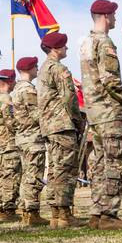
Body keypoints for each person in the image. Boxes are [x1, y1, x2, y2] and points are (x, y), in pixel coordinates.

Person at [79, 0, 122, 229]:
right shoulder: (104, 43)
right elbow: (110, 80)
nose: (114, 18)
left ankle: (97, 212)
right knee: (116, 163)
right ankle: (109, 215)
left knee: (100, 164)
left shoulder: (85, 42)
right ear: (105, 16)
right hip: (109, 112)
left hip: (94, 112)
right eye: (113, 14)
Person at [37, 32, 84, 228]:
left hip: (49, 126)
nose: (66, 49)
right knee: (66, 170)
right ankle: (64, 214)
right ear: (56, 48)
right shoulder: (58, 68)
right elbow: (69, 98)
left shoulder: (42, 69)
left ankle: (56, 213)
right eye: (64, 46)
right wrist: (77, 119)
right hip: (62, 125)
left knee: (55, 170)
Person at [12, 56, 46, 227]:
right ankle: (32, 212)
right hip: (32, 138)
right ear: (30, 69)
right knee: (34, 175)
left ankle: (26, 210)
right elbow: (36, 115)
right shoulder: (28, 90)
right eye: (35, 66)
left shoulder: (16, 89)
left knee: (27, 175)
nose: (37, 69)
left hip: (22, 137)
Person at [0, 72, 22, 222]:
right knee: (10, 177)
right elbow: (11, 122)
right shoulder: (6, 99)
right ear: (10, 81)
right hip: (8, 143)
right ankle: (7, 209)